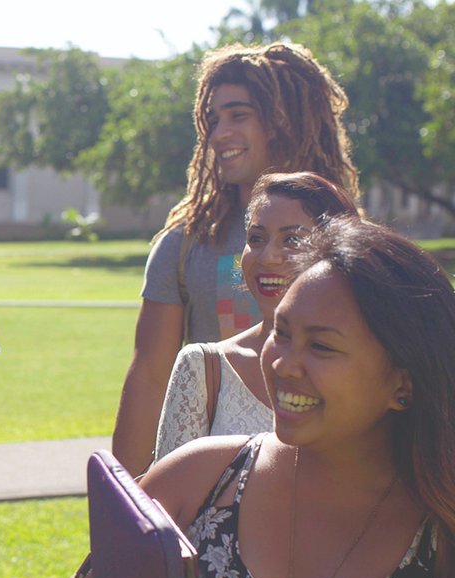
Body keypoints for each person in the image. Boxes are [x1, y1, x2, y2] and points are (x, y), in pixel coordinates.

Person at [48, 217, 455, 578]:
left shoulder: (438, 533)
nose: (283, 363)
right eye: (281, 333)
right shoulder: (201, 477)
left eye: (320, 347)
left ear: (403, 385)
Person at [111, 42, 360, 476]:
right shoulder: (183, 242)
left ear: (286, 121)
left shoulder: (352, 241)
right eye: (213, 119)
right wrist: (125, 508)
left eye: (238, 115)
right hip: (214, 486)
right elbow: (150, 376)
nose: (218, 132)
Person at [153, 172, 359, 460]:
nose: (268, 257)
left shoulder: (371, 366)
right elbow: (164, 500)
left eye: (292, 240)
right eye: (256, 238)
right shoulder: (203, 368)